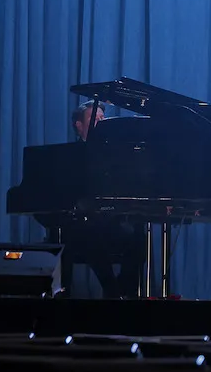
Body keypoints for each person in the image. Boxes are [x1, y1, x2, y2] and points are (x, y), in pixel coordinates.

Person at [58, 100, 145, 298]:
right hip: (79, 226)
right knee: (89, 233)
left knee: (139, 235)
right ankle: (113, 294)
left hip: (110, 223)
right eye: (94, 119)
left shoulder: (115, 155)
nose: (101, 122)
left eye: (102, 118)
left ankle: (125, 292)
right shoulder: (67, 156)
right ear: (79, 126)